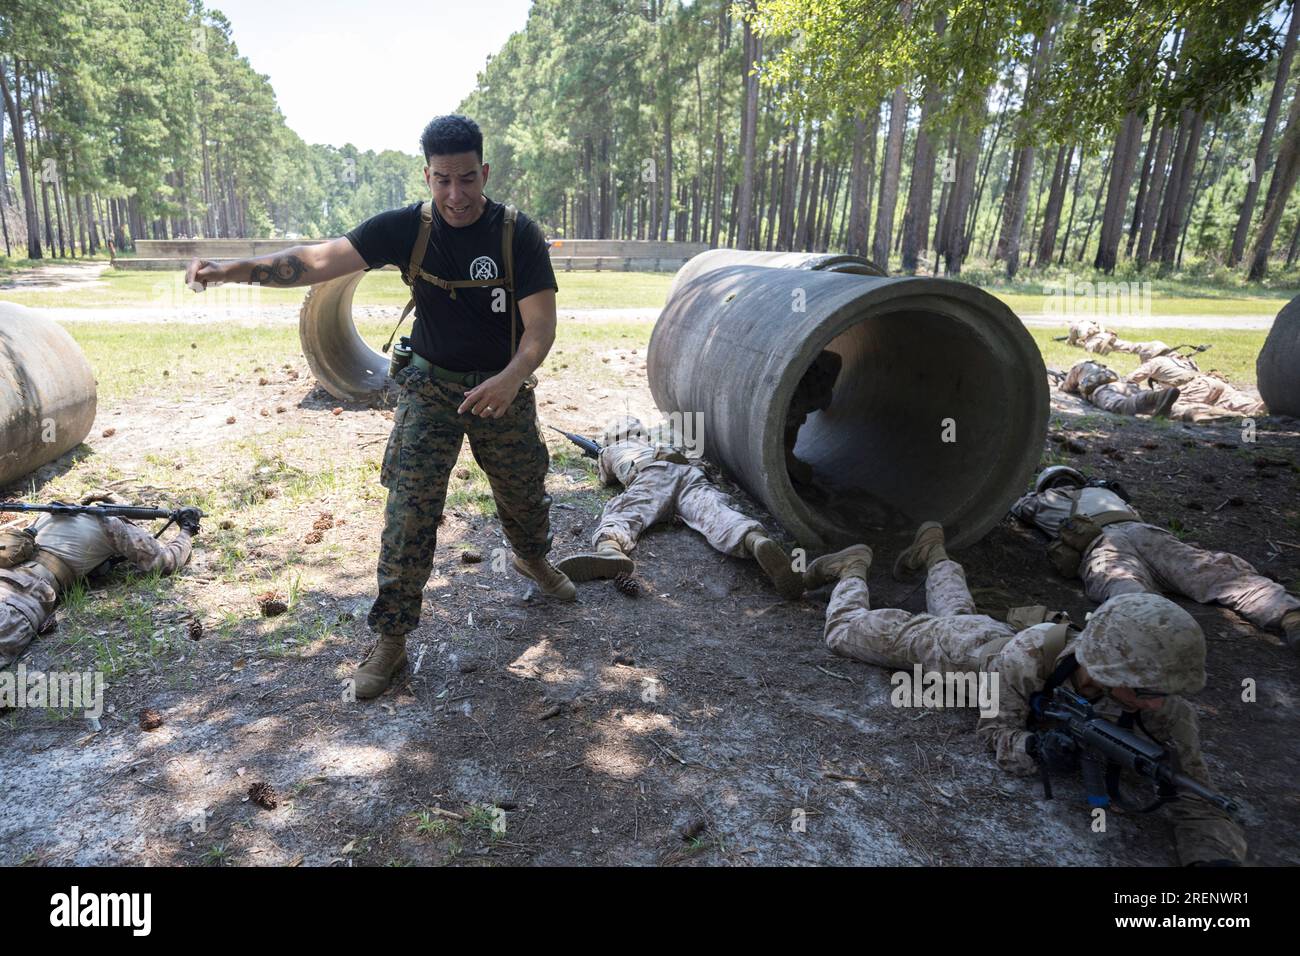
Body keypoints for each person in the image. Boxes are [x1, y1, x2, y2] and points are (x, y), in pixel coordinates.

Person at [186, 114, 572, 699]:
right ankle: (391, 637)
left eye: (466, 179)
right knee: (409, 512)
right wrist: (235, 270)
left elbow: (539, 330)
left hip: (502, 391)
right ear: (427, 175)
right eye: (442, 180)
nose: (455, 195)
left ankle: (532, 557)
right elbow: (315, 262)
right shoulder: (405, 228)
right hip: (430, 391)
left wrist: (511, 378)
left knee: (524, 491)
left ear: (484, 171)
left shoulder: (517, 235)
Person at [806, 521, 1246, 865]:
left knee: (962, 609)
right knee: (847, 635)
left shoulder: (1165, 704)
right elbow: (994, 730)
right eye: (1147, 690)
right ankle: (851, 568)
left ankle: (933, 552)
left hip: (999, 642)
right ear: (1107, 669)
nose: (1156, 703)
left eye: (1164, 692)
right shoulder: (1028, 659)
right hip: (964, 656)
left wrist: (1214, 866)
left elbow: (1199, 800)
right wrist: (1036, 749)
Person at [1010, 466, 1300, 652]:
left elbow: (1013, 505)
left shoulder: (1044, 499)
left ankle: (1156, 641)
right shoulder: (1104, 492)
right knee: (1218, 574)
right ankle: (1290, 615)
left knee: (1126, 590)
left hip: (1103, 545)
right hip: (1145, 533)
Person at [556, 416, 805, 599]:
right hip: (689, 472)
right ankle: (753, 539)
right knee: (714, 512)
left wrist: (598, 454)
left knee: (623, 512)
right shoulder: (657, 445)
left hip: (651, 476)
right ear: (643, 435)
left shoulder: (611, 450)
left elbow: (606, 480)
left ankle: (610, 550)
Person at [0, 495, 195, 668]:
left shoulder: (48, 513)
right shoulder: (110, 523)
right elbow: (165, 562)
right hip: (22, 598)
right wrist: (187, 530)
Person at [1126, 349, 1266, 418]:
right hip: (1213, 382)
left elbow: (1131, 379)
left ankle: (1225, 415)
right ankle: (1270, 407)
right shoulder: (1186, 360)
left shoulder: (1155, 361)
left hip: (1195, 387)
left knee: (1171, 407)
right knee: (1250, 408)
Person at [1057, 359, 1181, 418]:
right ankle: (1192, 414)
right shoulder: (1106, 370)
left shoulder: (1079, 368)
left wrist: (1061, 385)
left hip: (1103, 389)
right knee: (1162, 405)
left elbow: (1067, 387)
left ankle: (1156, 396)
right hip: (1125, 386)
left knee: (1119, 405)